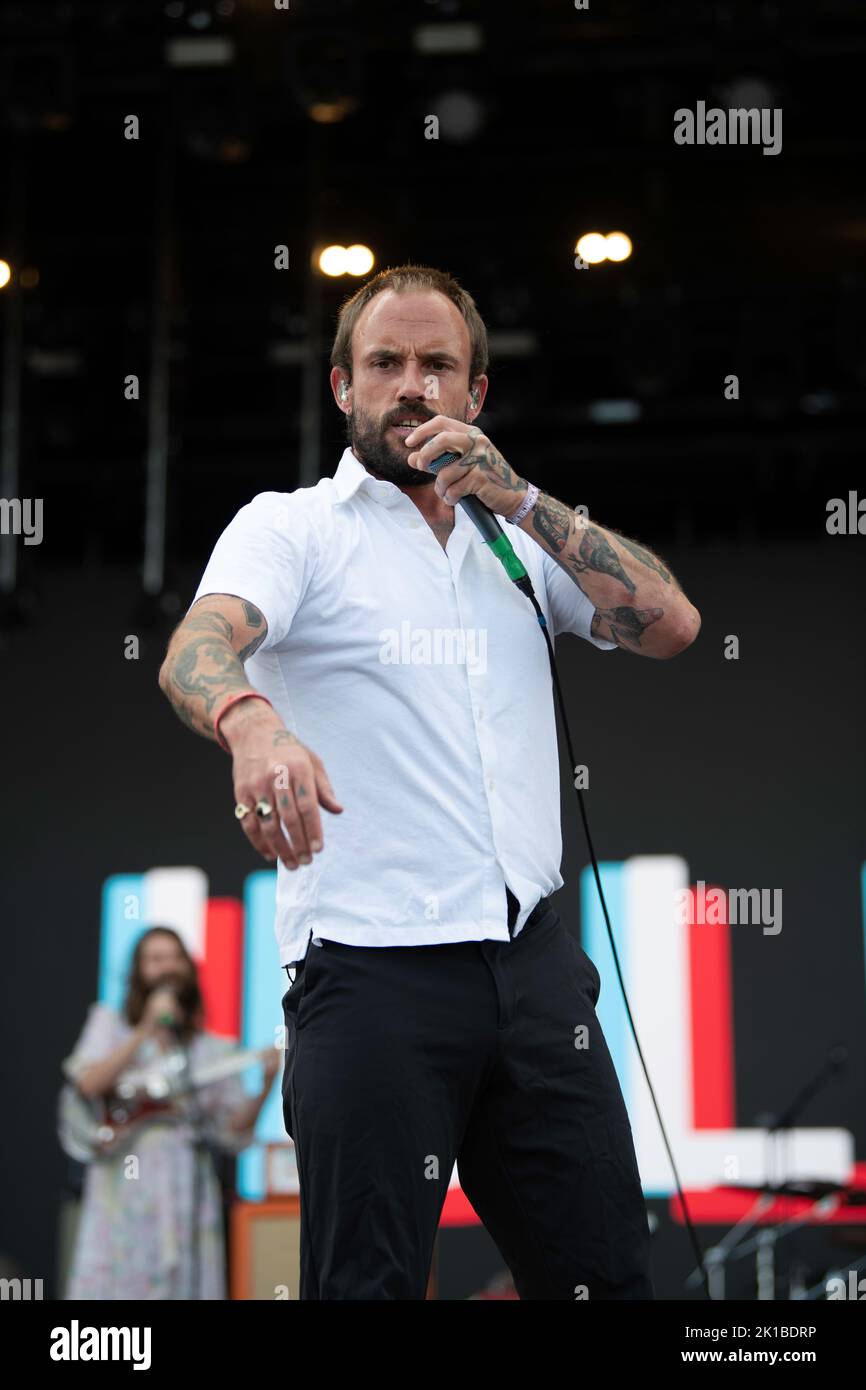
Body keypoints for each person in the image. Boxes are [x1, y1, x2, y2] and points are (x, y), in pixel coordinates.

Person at [157, 264, 701, 1300]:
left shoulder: (518, 541)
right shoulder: (293, 528)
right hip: (371, 977)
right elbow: (199, 644)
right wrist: (252, 723)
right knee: (368, 1286)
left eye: (436, 365)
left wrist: (522, 497)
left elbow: (671, 625)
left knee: (607, 1279)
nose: (411, 385)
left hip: (534, 970)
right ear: (340, 387)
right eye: (385, 363)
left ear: (475, 394)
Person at [63, 925, 280, 1299]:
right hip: (125, 1186)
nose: (168, 967)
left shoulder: (211, 1049)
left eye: (175, 957)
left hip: (186, 1186)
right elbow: (88, 1084)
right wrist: (146, 1028)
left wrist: (265, 1086)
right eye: (155, 958)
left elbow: (232, 1133)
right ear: (138, 971)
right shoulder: (110, 1024)